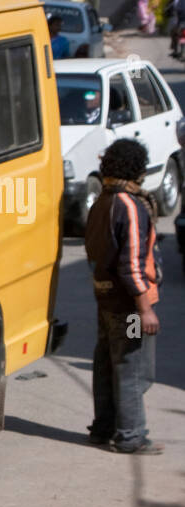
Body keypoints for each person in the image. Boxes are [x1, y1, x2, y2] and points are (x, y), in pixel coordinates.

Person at [84, 139, 164, 455]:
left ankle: (102, 429)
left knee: (106, 361)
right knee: (131, 365)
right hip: (129, 306)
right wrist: (145, 308)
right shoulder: (128, 206)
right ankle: (131, 436)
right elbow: (131, 265)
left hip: (106, 299)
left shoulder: (101, 201)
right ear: (136, 168)